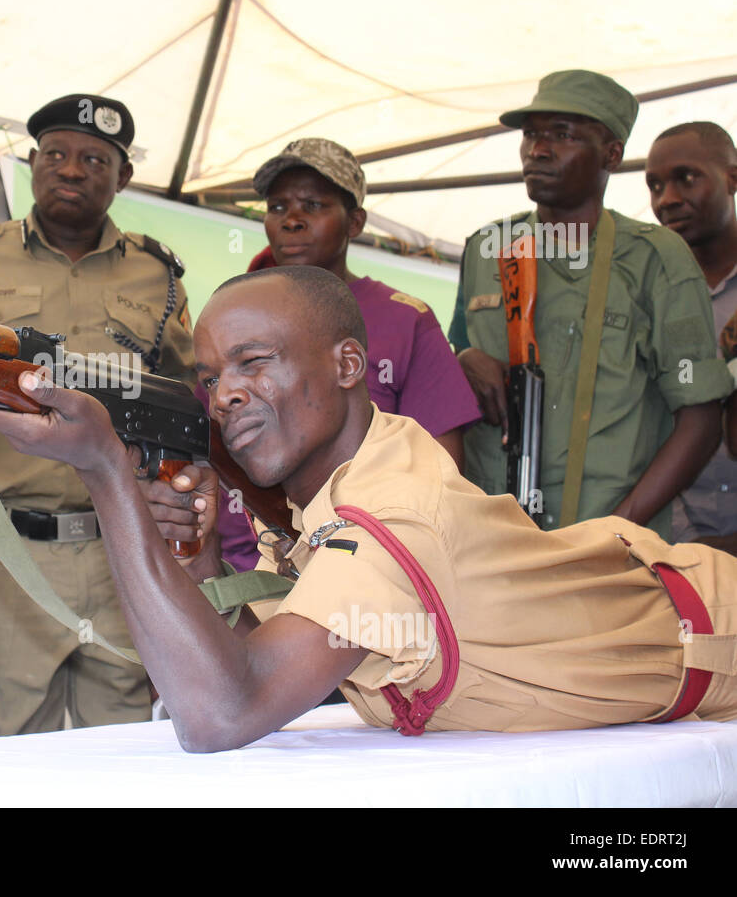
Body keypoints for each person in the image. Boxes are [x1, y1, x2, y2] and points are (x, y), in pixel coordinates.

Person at [0, 264, 737, 752]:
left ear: (348, 364)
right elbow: (259, 665)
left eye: (254, 361)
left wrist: (106, 472)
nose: (225, 393)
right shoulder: (349, 483)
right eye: (210, 377)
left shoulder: (391, 512)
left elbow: (221, 716)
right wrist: (202, 562)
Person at [0, 93, 195, 737]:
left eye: (93, 160)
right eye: (55, 155)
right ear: (32, 164)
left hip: (124, 547)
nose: (71, 170)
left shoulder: (156, 278)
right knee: (10, 752)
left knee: (133, 746)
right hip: (7, 554)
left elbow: (187, 406)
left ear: (122, 177)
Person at [448, 70, 733, 536]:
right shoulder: (488, 248)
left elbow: (701, 418)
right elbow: (448, 365)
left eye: (563, 135)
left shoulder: (656, 260)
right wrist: (463, 357)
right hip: (489, 533)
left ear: (612, 154)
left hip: (607, 547)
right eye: (532, 134)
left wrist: (617, 530)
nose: (538, 149)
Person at [213, 138, 479, 571]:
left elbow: (441, 469)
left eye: (313, 205)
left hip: (365, 562)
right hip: (248, 563)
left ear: (355, 222)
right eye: (277, 207)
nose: (291, 221)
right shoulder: (234, 314)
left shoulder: (404, 320)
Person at [644, 122, 737, 555]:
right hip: (669, 544)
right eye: (655, 185)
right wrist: (680, 540)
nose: (667, 199)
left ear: (732, 178)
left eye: (686, 177)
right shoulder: (643, 297)